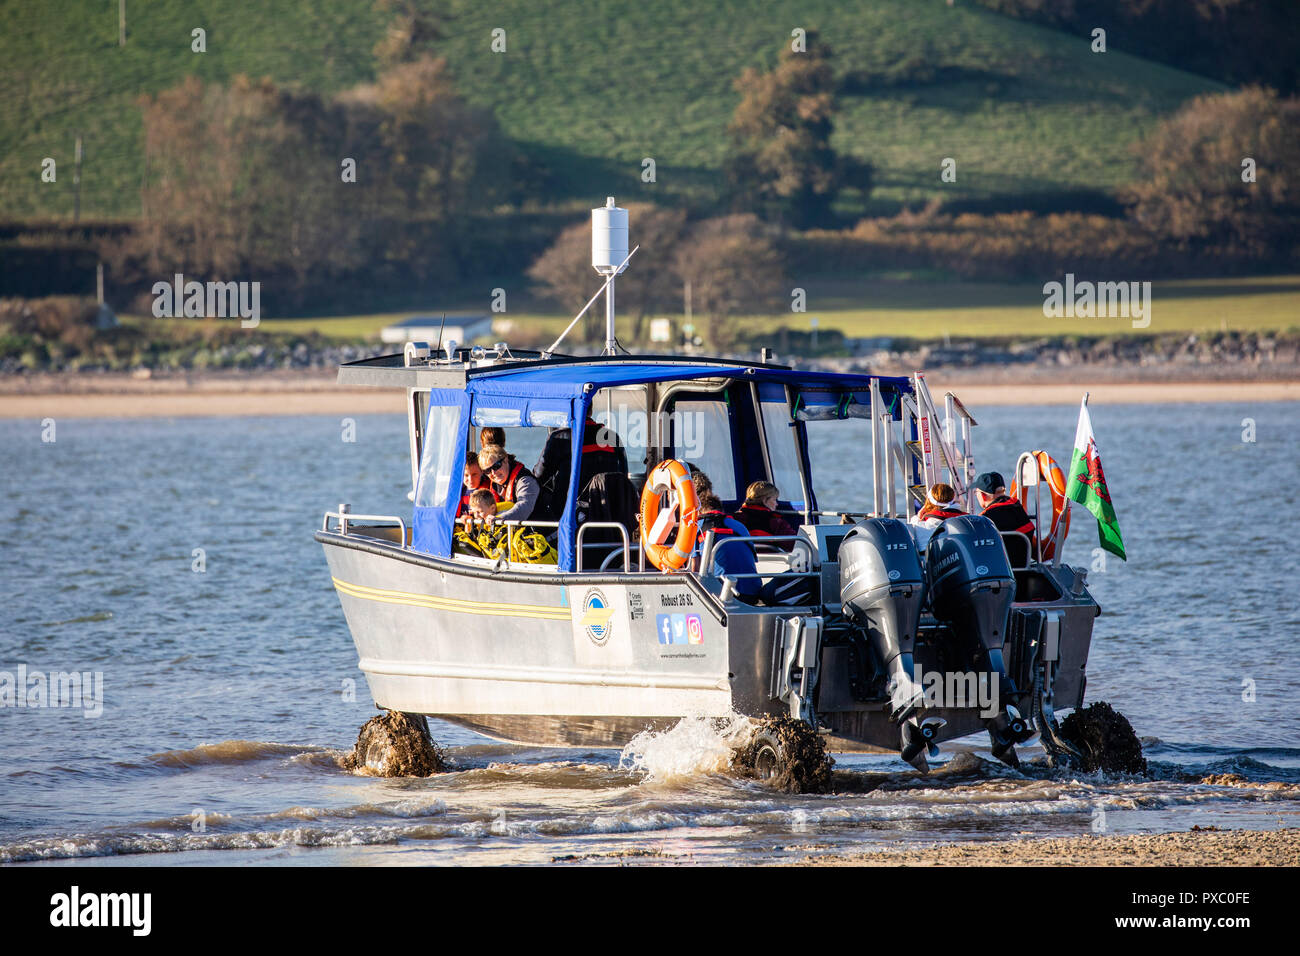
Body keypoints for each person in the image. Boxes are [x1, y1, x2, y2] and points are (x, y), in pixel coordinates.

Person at [531, 416, 628, 521]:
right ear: (591, 411)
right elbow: (623, 475)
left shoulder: (559, 438)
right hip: (609, 513)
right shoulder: (612, 437)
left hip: (569, 515)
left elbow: (539, 476)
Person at [973, 471, 1037, 566]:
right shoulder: (1018, 508)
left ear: (982, 495)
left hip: (1001, 569)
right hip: (1024, 566)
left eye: (976, 492)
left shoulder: (986, 519)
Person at [480, 443, 538, 522]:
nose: (493, 473)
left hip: (541, 531)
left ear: (506, 460)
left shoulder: (525, 481)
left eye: (496, 466)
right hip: (510, 531)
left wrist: (500, 518)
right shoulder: (492, 484)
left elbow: (524, 507)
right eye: (487, 470)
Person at [733, 480, 797, 550]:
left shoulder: (735, 518)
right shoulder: (775, 521)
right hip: (772, 559)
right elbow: (794, 545)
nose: (777, 504)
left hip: (744, 558)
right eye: (774, 500)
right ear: (765, 500)